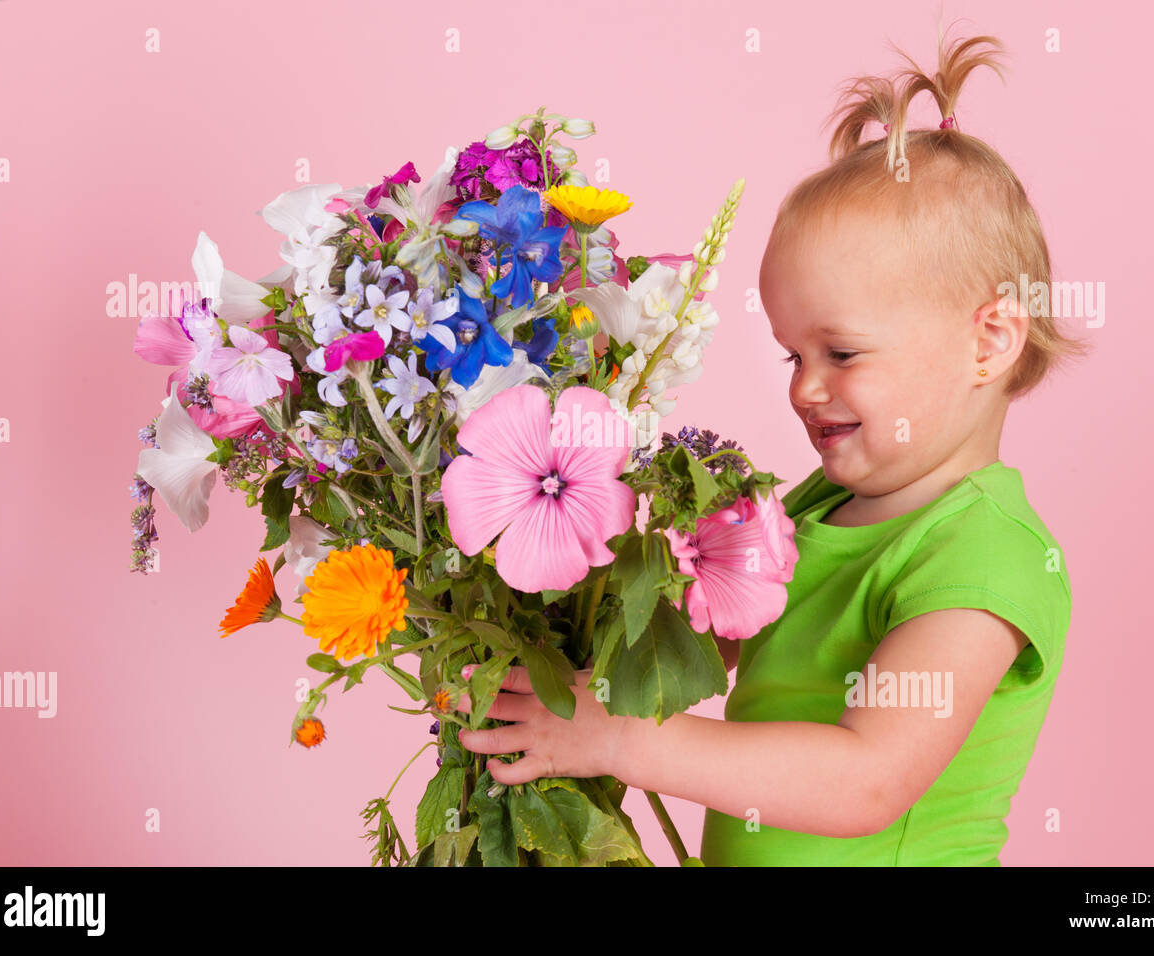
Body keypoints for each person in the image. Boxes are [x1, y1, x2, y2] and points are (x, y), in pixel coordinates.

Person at [456, 27, 1091, 865]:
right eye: (796, 356)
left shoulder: (986, 555)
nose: (804, 388)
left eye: (844, 354)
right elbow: (696, 648)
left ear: (990, 341)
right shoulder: (816, 505)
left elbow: (866, 779)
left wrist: (617, 740)